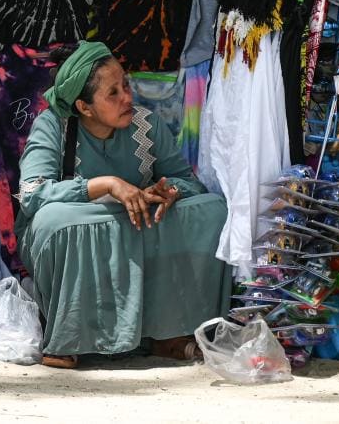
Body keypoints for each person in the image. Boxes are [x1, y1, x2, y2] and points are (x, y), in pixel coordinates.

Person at [15, 41, 229, 369]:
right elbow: (32, 195)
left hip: (134, 221)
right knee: (57, 223)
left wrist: (168, 191)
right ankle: (70, 338)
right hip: (82, 222)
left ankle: (169, 333)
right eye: (113, 93)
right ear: (85, 107)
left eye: (125, 85)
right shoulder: (53, 125)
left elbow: (187, 181)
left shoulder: (147, 124)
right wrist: (108, 185)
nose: (127, 97)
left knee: (211, 210)